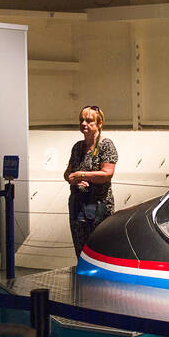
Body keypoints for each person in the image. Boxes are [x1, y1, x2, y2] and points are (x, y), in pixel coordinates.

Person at [64, 105, 118, 256]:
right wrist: (72, 179)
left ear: (99, 124)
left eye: (89, 121)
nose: (84, 124)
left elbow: (107, 174)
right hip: (77, 207)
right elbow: (68, 173)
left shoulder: (105, 145)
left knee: (99, 250)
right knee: (80, 249)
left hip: (98, 209)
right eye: (82, 120)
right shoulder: (77, 147)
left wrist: (82, 175)